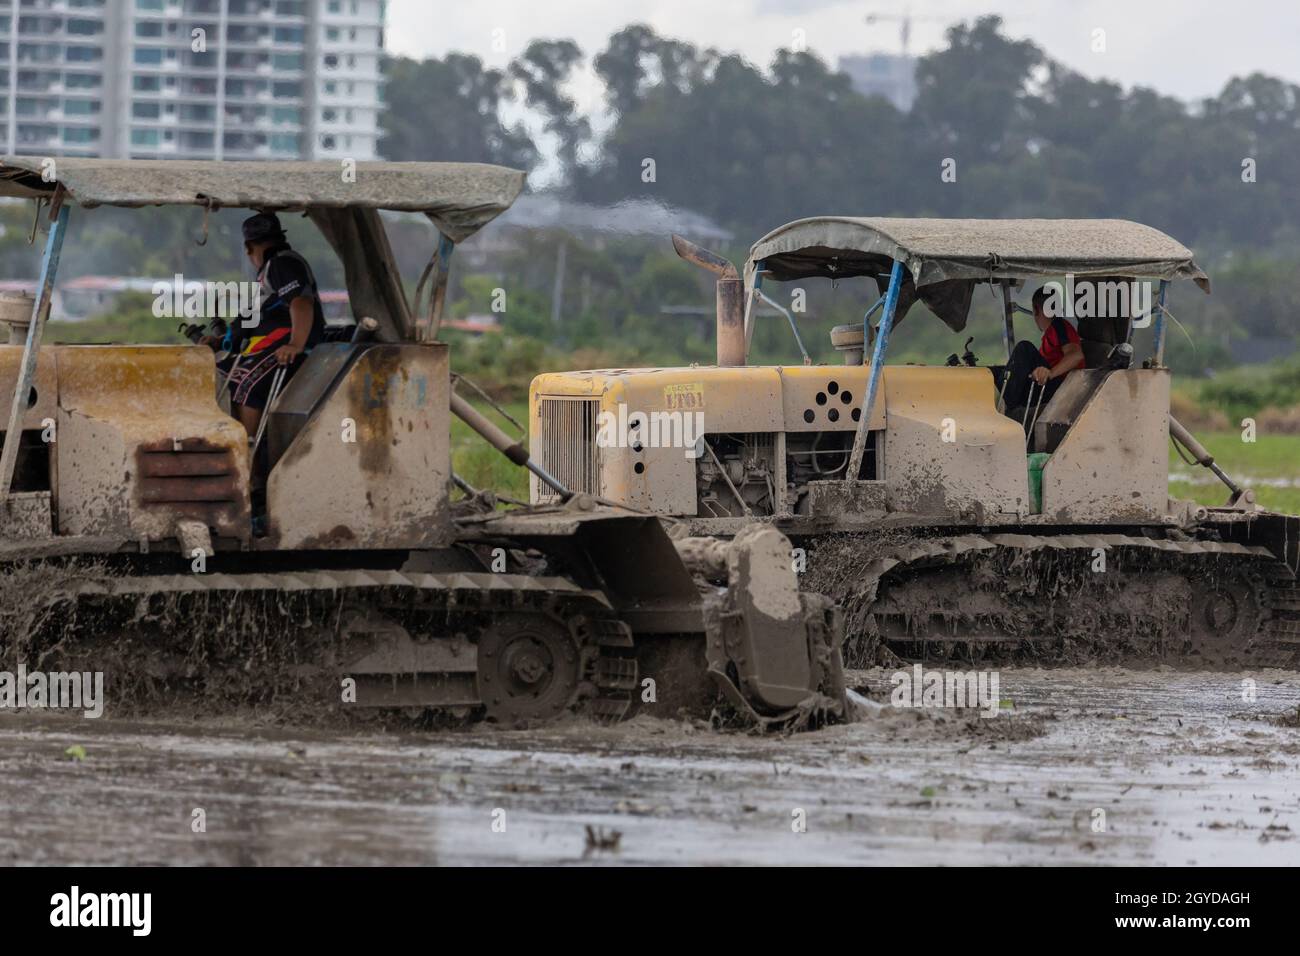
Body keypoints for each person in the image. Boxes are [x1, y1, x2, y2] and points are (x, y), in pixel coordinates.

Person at [225, 211, 326, 439]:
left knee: (247, 387)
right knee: (221, 375)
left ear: (249, 248)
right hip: (266, 348)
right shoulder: (269, 269)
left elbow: (302, 301)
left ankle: (247, 457)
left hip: (288, 351)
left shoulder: (282, 264)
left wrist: (295, 344)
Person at [1002, 285, 1086, 419]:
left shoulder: (1060, 326)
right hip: (1046, 386)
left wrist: (1050, 373)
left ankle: (1003, 408)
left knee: (1024, 348)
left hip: (1062, 388)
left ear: (1036, 310)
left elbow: (1076, 355)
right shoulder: (1051, 334)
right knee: (1000, 371)